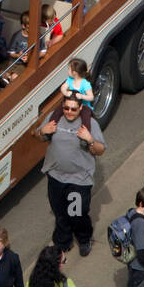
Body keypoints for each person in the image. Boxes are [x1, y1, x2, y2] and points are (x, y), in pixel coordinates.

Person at [34, 92, 106, 256]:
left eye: (73, 109)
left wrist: (90, 140)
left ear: (80, 108)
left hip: (78, 181)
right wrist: (42, 131)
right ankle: (62, 242)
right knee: (60, 213)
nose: (69, 112)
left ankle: (83, 238)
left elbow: (100, 150)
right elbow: (38, 136)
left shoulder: (90, 124)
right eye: (66, 108)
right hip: (56, 177)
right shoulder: (55, 117)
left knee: (76, 214)